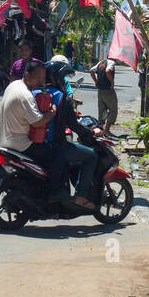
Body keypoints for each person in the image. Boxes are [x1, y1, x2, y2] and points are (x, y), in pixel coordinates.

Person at [45, 57, 100, 206]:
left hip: (37, 143)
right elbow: (73, 125)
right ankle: (81, 196)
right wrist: (90, 133)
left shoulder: (38, 92)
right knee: (91, 156)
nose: (64, 82)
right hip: (55, 144)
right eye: (63, 78)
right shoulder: (61, 97)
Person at [90, 55, 118, 133]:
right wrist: (112, 82)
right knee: (113, 110)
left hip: (100, 90)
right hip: (108, 90)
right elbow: (108, 71)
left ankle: (100, 130)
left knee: (102, 110)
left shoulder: (101, 62)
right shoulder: (111, 63)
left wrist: (96, 81)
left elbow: (91, 71)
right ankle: (107, 130)